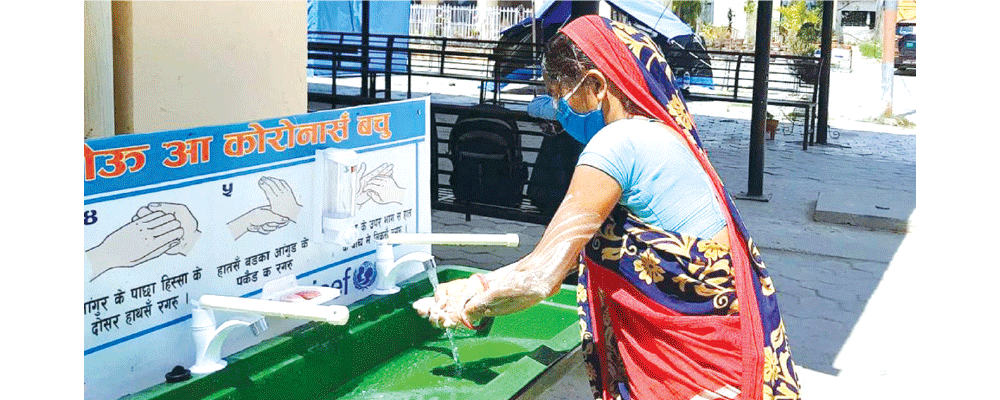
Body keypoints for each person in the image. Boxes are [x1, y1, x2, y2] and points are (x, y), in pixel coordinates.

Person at [413, 16, 800, 400]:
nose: (557, 109)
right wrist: (477, 284)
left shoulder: (616, 143)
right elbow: (549, 260)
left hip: (693, 375)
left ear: (597, 85)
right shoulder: (659, 132)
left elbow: (540, 278)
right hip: (725, 352)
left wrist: (469, 306)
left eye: (559, 94)